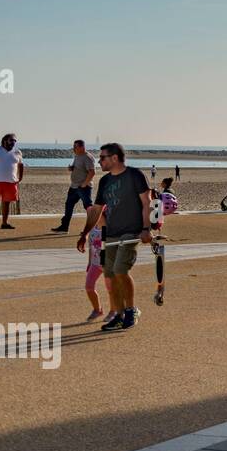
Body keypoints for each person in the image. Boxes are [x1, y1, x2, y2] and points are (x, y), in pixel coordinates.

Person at [76, 142, 150, 332]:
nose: (99, 161)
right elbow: (97, 211)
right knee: (110, 273)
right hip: (111, 234)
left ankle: (131, 310)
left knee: (120, 270)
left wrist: (146, 228)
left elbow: (146, 203)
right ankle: (118, 315)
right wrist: (84, 234)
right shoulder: (105, 181)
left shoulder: (135, 175)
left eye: (102, 157)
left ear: (114, 158)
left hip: (131, 232)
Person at [51, 139, 96, 234]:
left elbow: (92, 172)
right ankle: (64, 227)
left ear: (82, 147)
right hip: (74, 186)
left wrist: (84, 184)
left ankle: (91, 229)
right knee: (68, 205)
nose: (74, 148)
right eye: (73, 146)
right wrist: (71, 168)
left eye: (75, 146)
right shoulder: (77, 156)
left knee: (88, 207)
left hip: (84, 187)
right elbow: (79, 168)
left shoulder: (87, 157)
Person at [83, 220, 108, 322]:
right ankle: (97, 309)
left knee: (112, 289)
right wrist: (89, 262)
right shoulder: (92, 227)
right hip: (95, 263)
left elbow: (107, 247)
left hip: (108, 264)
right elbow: (91, 246)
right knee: (89, 286)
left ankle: (115, 311)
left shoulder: (108, 229)